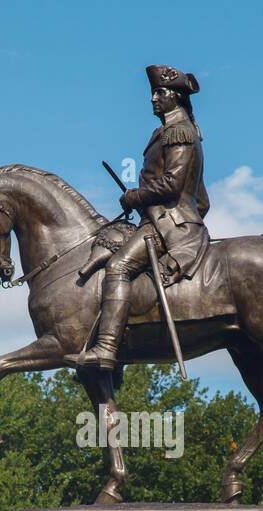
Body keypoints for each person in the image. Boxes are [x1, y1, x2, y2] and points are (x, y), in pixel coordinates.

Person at [67, 64, 210, 369]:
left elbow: (172, 184)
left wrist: (136, 196)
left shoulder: (178, 132)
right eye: (153, 93)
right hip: (165, 220)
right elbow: (202, 199)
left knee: (118, 267)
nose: (153, 99)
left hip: (169, 226)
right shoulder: (172, 132)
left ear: (176, 97)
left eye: (160, 93)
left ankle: (105, 349)